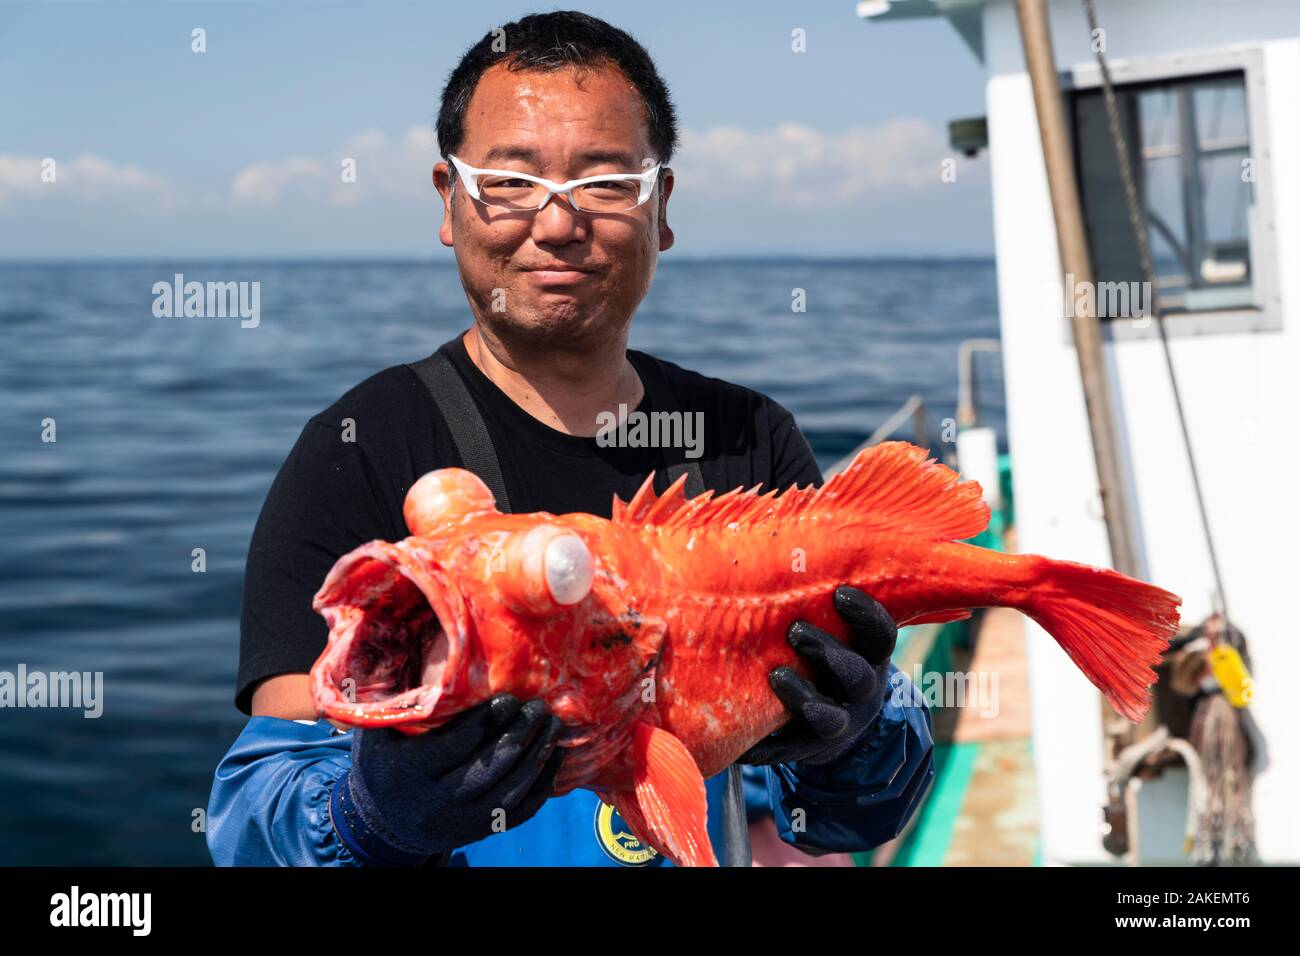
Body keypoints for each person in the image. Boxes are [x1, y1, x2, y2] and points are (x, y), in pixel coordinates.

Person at [206, 9, 934, 867]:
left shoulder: (747, 437)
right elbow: (261, 815)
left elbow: (844, 822)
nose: (557, 225)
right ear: (450, 201)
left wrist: (857, 740)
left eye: (605, 182)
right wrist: (372, 813)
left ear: (660, 208)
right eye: (510, 182)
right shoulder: (356, 450)